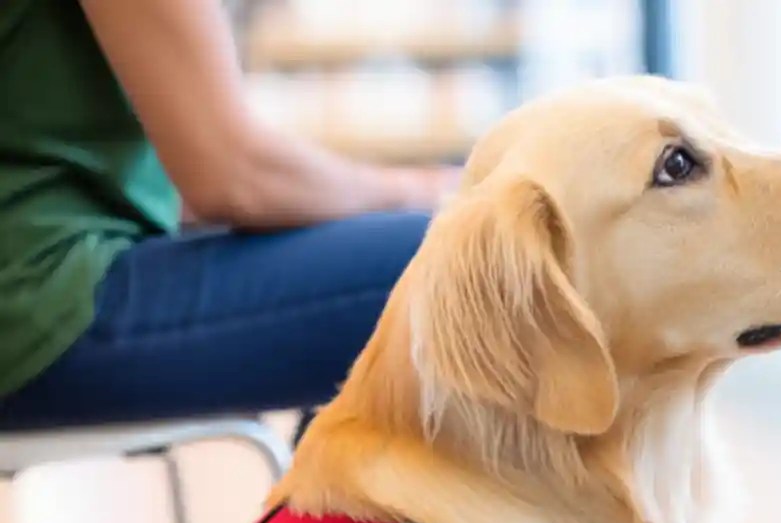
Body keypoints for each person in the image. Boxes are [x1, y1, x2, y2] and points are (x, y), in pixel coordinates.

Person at [0, 0, 456, 430]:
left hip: (37, 294)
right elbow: (235, 179)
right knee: (467, 265)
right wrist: (428, 188)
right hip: (36, 307)